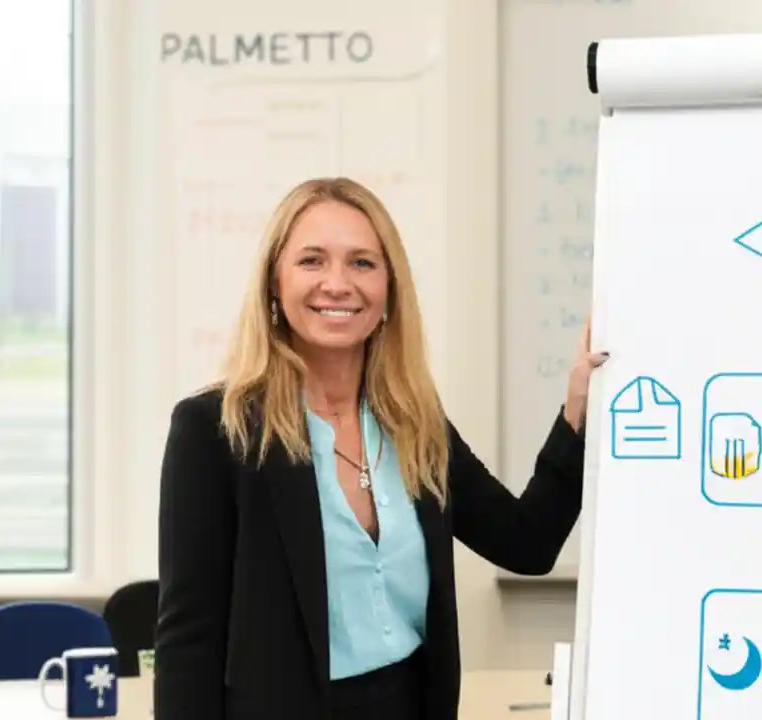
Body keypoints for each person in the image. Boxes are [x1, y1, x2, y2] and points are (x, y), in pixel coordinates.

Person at [153, 176, 607, 720]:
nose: (338, 284)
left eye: (363, 263)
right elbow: (188, 644)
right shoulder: (215, 430)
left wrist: (577, 411)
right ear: (274, 282)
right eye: (312, 261)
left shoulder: (414, 421)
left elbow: (527, 544)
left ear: (390, 286)